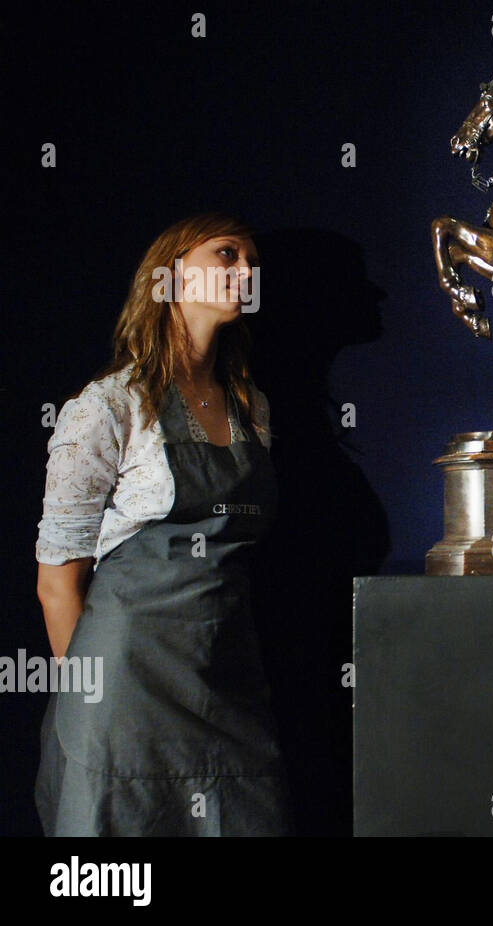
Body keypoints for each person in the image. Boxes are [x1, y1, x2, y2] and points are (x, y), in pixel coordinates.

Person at [34, 213, 291, 836]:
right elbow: (57, 579)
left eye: (251, 263)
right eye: (226, 254)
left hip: (225, 676)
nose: (244, 272)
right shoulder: (108, 405)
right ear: (168, 274)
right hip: (124, 685)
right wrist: (85, 700)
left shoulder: (251, 407)